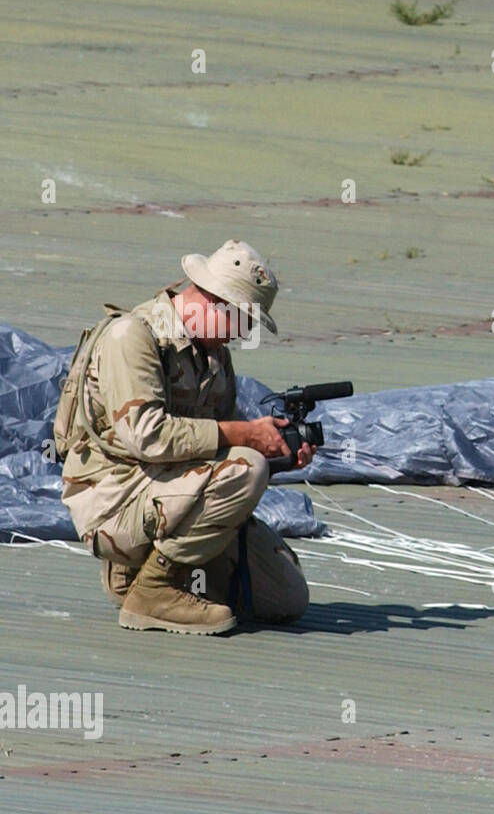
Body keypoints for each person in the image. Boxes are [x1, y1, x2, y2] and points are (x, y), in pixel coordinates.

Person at [56, 240, 314, 635]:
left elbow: (222, 443)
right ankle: (155, 590)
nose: (243, 334)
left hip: (166, 492)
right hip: (114, 498)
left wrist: (277, 449)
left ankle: (137, 571)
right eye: (242, 320)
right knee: (248, 468)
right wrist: (246, 438)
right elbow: (148, 437)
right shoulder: (132, 337)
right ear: (213, 300)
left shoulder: (213, 355)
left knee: (286, 597)